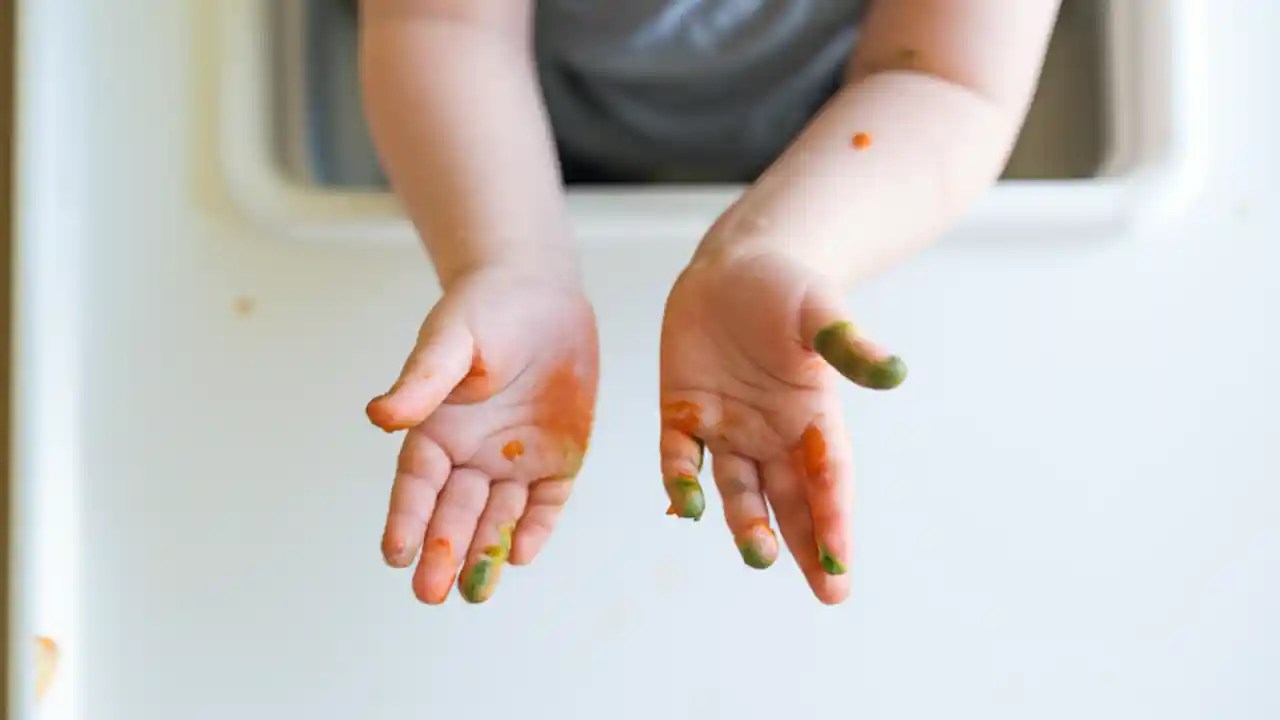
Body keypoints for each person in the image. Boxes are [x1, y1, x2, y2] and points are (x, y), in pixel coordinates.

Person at [359, 0, 1061, 605]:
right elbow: (444, 24)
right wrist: (512, 258)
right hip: (518, 128)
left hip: (844, 146)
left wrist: (777, 245)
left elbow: (947, 78)